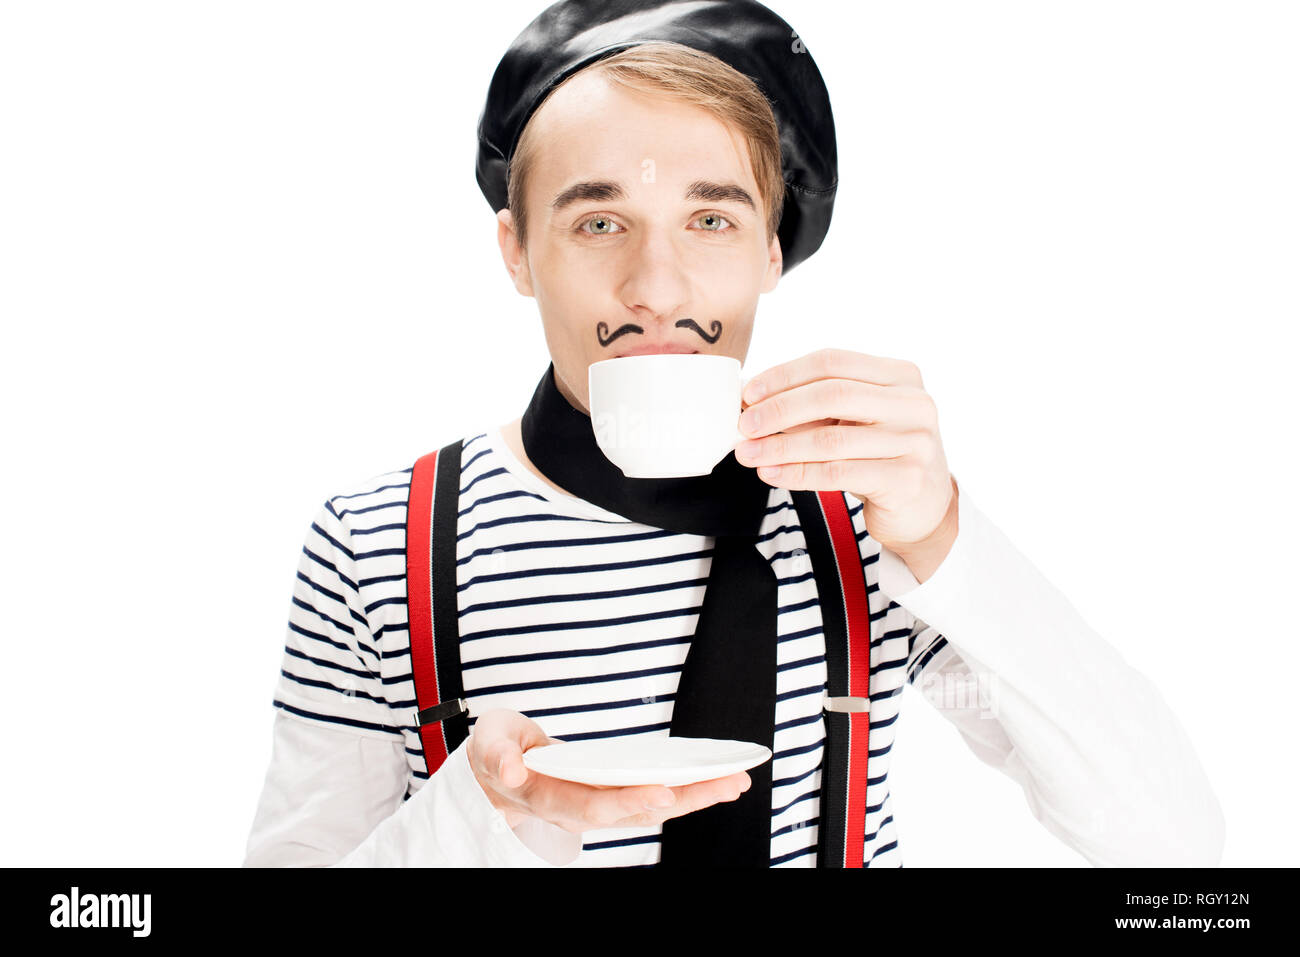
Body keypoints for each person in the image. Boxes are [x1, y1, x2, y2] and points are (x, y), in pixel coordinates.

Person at [242, 0, 1225, 868]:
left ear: (770, 246)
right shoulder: (378, 540)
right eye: (597, 223)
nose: (655, 289)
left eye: (708, 222)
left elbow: (1169, 845)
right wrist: (483, 814)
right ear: (516, 250)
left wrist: (942, 535)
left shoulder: (867, 521)